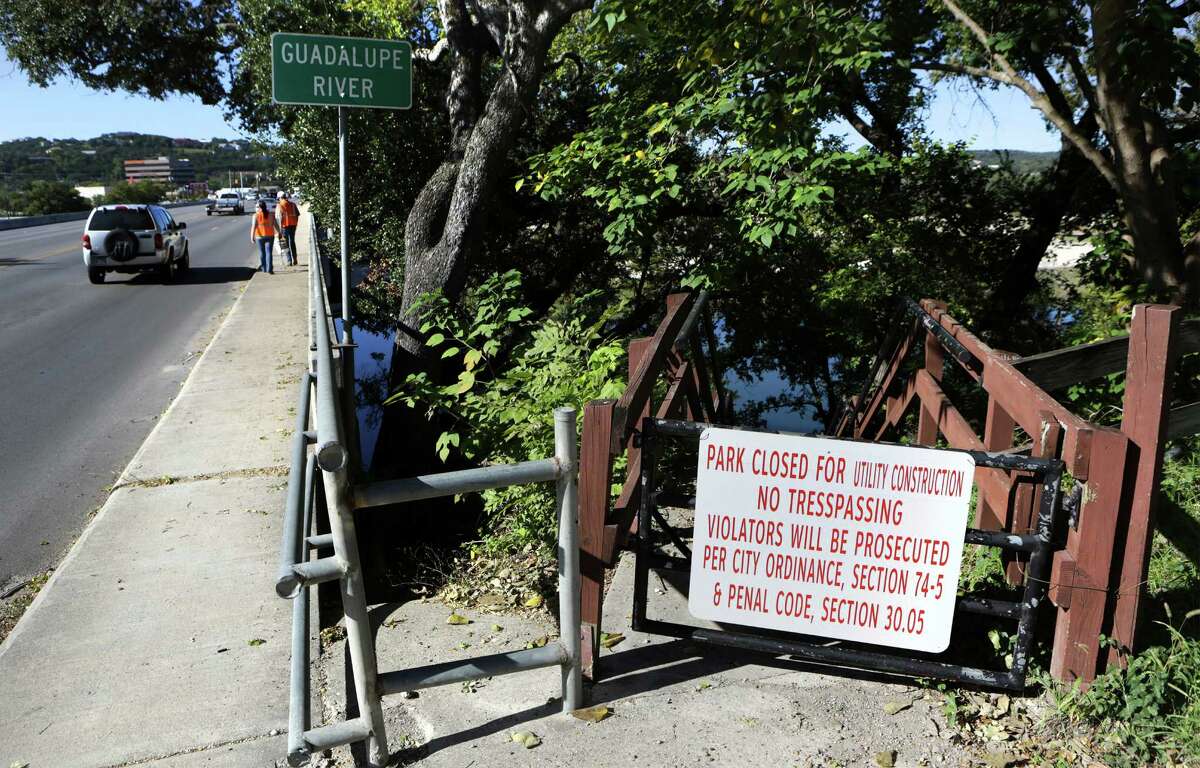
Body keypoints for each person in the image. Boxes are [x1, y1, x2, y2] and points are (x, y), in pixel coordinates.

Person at [250, 200, 280, 274]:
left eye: (257, 207)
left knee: (262, 253)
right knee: (269, 252)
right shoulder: (271, 215)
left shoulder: (256, 215)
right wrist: (279, 232)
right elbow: (276, 225)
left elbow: (253, 227)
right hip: (270, 236)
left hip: (259, 237)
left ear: (259, 208)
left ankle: (264, 268)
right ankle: (270, 268)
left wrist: (252, 237)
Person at [276, 191, 300, 266]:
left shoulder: (279, 205)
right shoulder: (293, 204)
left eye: (278, 199)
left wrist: (278, 231)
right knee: (292, 242)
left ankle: (289, 260)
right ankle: (295, 259)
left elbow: (278, 218)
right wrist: (295, 223)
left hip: (284, 227)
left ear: (280, 197)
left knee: (285, 244)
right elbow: (297, 214)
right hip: (293, 225)